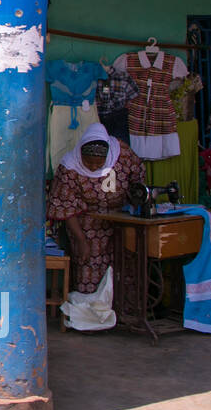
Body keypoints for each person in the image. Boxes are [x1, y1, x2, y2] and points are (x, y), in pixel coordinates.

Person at [47, 123, 147, 294]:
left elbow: (138, 180)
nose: (93, 167)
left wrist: (134, 203)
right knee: (90, 259)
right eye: (89, 163)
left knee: (129, 254)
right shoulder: (70, 168)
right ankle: (91, 309)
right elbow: (65, 207)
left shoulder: (122, 155)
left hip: (121, 216)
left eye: (98, 163)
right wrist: (81, 240)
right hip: (87, 222)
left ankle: (124, 309)